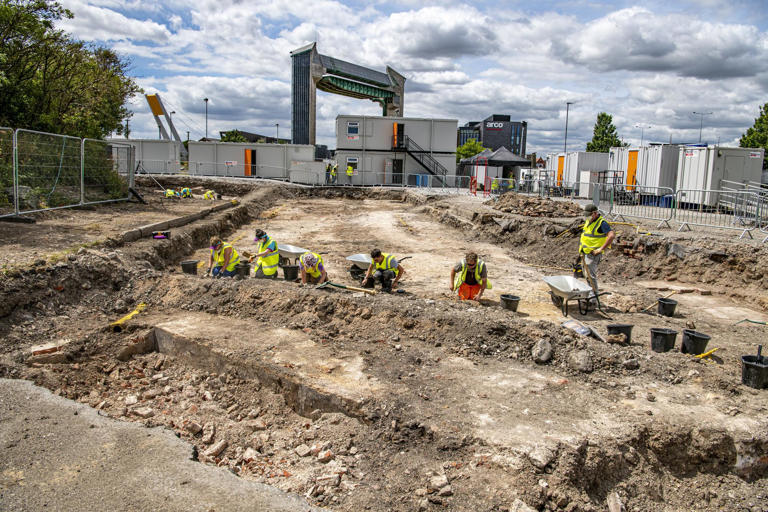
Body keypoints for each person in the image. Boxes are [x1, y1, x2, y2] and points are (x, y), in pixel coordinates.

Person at [579, 204, 615, 295]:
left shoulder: (602, 223)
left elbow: (611, 236)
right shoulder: (589, 221)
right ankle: (590, 294)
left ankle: (593, 298)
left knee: (591, 276)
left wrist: (600, 249)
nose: (587, 217)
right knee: (587, 275)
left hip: (593, 254)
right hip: (585, 252)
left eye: (589, 215)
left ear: (595, 213)